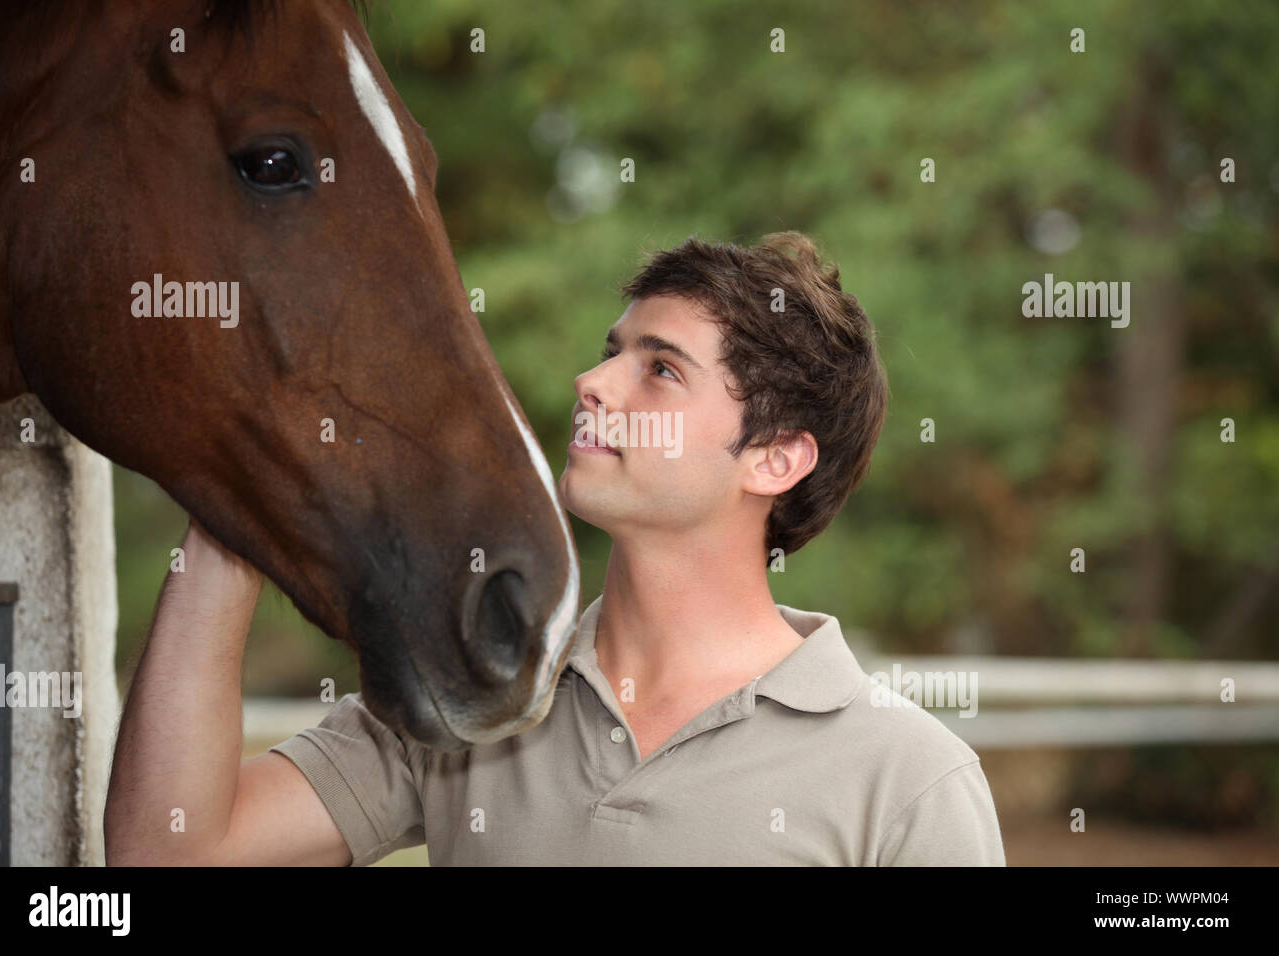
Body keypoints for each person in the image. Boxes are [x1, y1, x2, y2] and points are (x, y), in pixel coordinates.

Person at [104, 232, 1006, 866]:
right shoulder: (478, 696)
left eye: (660, 369)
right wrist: (232, 507)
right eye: (611, 351)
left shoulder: (908, 779)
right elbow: (167, 852)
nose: (592, 382)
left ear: (775, 458)